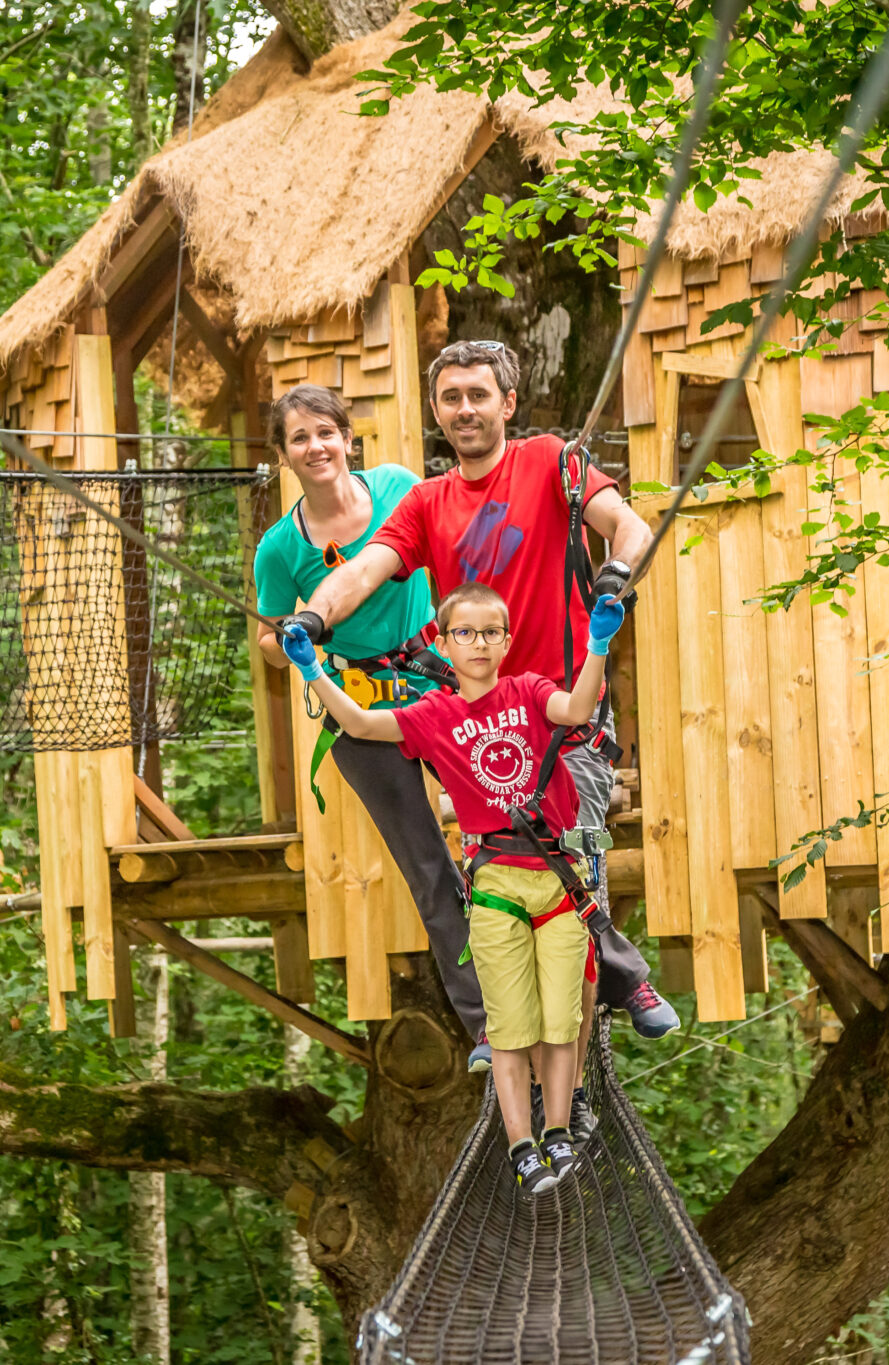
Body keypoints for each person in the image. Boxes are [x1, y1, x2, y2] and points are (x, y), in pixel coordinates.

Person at [276, 340, 680, 1064]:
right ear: (436, 410)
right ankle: (546, 1043)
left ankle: (608, 1017)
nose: (465, 408)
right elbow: (366, 569)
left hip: (559, 708)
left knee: (565, 858)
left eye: (478, 394)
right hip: (480, 715)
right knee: (499, 881)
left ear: (508, 403)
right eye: (451, 397)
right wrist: (316, 617)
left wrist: (616, 571)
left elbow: (630, 523)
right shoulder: (427, 502)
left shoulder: (551, 462)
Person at [283, 581, 627, 1193]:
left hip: (557, 882)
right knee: (508, 1026)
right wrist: (311, 669)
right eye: (464, 633)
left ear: (506, 641)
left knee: (562, 1014)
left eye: (491, 632)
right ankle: (522, 1148)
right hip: (497, 883)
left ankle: (558, 1134)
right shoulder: (433, 715)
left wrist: (598, 644)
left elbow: (576, 711)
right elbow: (360, 722)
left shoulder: (527, 692)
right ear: (443, 643)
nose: (478, 643)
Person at [251, 385, 494, 1068]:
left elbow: (449, 546)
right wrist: (302, 649)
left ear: (348, 439)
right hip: (360, 702)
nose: (316, 447)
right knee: (425, 863)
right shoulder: (280, 547)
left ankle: (562, 979)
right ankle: (484, 1024)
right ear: (284, 456)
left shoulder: (396, 488)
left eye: (326, 432)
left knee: (508, 823)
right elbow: (271, 636)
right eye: (300, 438)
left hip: (436, 676)